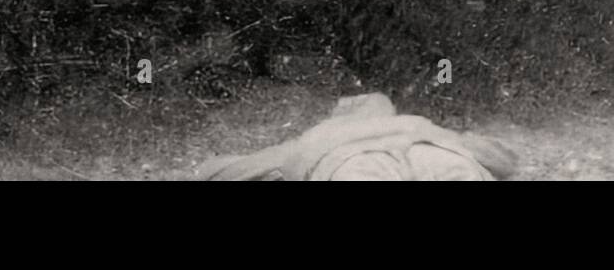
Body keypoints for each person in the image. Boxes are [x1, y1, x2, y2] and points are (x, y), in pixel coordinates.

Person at [196, 93, 518, 180]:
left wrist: (206, 171)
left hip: (353, 162)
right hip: (431, 150)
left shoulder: (320, 137)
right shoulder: (414, 122)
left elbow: (227, 170)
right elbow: (504, 160)